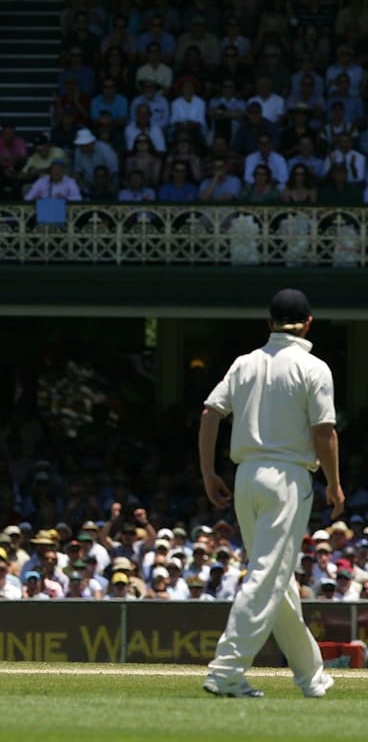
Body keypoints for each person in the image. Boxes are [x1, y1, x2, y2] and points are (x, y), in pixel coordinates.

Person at [199, 288, 342, 699]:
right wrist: (333, 483)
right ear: (309, 323)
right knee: (267, 576)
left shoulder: (245, 363)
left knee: (279, 583)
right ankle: (225, 671)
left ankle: (312, 678)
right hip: (288, 478)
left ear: (269, 323)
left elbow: (211, 412)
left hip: (247, 477)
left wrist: (209, 472)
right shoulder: (314, 367)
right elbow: (324, 432)